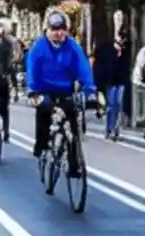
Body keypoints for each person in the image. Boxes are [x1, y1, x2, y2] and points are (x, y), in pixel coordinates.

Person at [25, 10, 96, 178]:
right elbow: (32, 70)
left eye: (62, 29)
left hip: (66, 90)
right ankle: (41, 146)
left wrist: (89, 90)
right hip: (44, 89)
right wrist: (33, 91)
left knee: (73, 126)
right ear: (47, 30)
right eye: (55, 29)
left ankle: (73, 164)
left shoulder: (72, 46)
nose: (59, 33)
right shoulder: (39, 47)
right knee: (44, 111)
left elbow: (83, 69)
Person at [94, 33, 130, 139]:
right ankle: (109, 128)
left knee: (118, 105)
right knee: (111, 106)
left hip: (121, 82)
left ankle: (116, 129)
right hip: (111, 82)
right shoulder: (108, 51)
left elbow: (126, 67)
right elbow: (103, 68)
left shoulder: (124, 53)